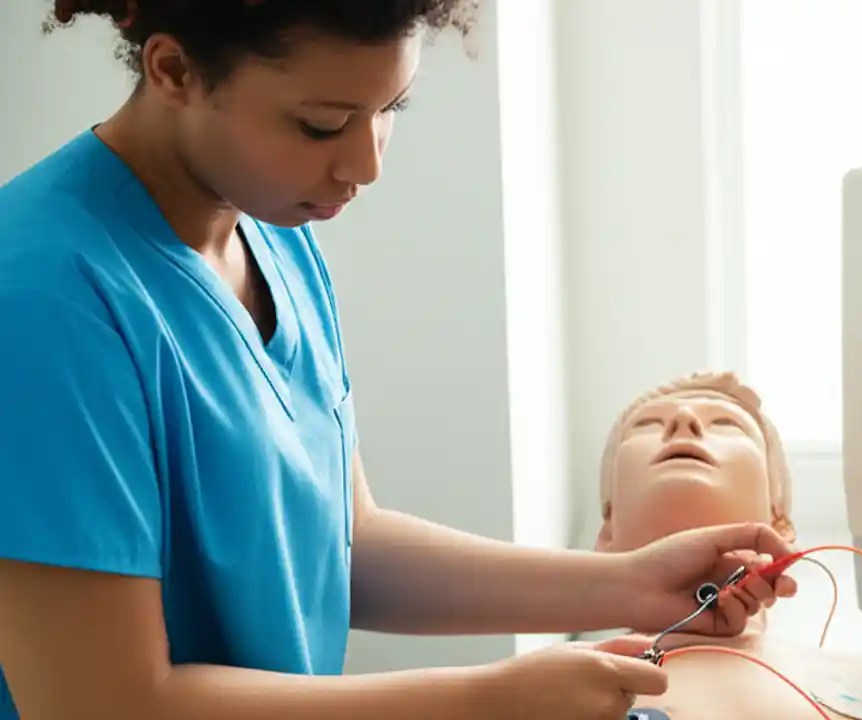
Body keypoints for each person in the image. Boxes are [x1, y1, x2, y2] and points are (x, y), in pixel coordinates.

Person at [0, 3, 799, 719]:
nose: (367, 164)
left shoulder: (273, 230)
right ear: (173, 70)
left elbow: (344, 547)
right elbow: (102, 703)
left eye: (391, 109)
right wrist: (483, 701)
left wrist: (628, 582)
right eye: (322, 124)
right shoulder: (44, 296)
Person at [592, 371, 862, 719]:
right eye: (646, 425)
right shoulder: (548, 689)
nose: (684, 422)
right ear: (606, 533)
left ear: (780, 524)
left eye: (726, 424)